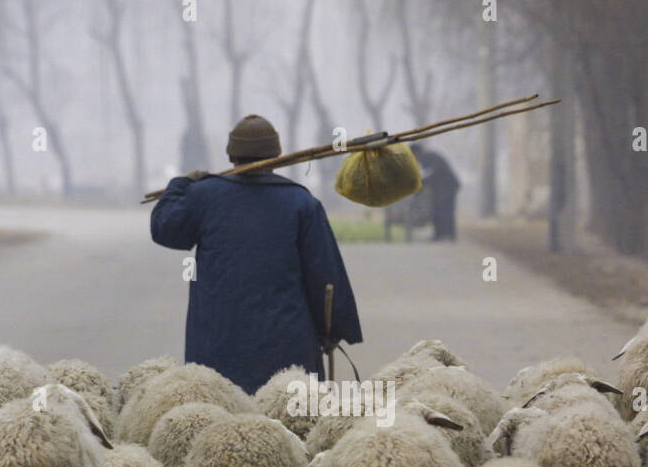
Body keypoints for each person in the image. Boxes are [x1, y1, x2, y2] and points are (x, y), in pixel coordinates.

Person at [150, 114, 363, 395]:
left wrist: (180, 185)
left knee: (217, 425)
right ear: (276, 154)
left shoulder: (203, 196)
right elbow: (325, 277)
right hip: (287, 352)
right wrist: (334, 330)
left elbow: (164, 229)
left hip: (217, 348)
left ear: (231, 155)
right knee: (293, 427)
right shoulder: (301, 202)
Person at [410, 143, 460, 241]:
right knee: (439, 210)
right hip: (442, 189)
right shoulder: (427, 158)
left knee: (445, 211)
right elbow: (428, 176)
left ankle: (448, 235)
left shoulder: (430, 157)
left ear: (416, 153)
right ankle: (441, 235)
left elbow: (432, 174)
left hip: (448, 188)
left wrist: (420, 186)